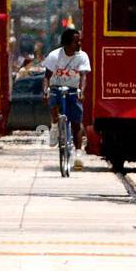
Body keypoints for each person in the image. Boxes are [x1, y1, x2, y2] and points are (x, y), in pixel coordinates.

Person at [42, 27, 90, 170]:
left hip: (73, 89)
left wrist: (81, 91)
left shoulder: (82, 56)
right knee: (53, 99)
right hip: (57, 86)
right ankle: (55, 125)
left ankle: (78, 154)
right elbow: (46, 77)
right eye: (76, 42)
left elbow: (83, 76)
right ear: (67, 43)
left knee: (76, 123)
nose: (79, 44)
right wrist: (45, 90)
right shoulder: (54, 56)